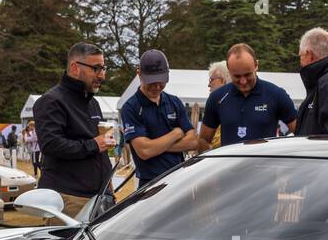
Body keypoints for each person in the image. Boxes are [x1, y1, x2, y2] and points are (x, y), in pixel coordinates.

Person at [33, 42, 115, 221]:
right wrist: (94, 144)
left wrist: (108, 186)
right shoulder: (51, 101)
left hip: (100, 197)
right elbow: (51, 145)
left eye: (103, 69)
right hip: (68, 199)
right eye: (96, 68)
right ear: (75, 67)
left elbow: (98, 150)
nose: (101, 75)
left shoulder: (93, 103)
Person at [121, 49, 198, 188]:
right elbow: (144, 151)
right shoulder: (131, 107)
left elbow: (193, 141)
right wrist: (176, 134)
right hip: (150, 184)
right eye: (152, 82)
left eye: (162, 81)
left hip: (178, 178)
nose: (157, 86)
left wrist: (157, 146)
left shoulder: (174, 102)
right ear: (139, 74)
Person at [199, 43, 297, 148]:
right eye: (237, 76)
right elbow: (204, 140)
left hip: (263, 163)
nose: (243, 81)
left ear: (256, 65)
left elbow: (301, 134)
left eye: (247, 74)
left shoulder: (276, 95)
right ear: (228, 70)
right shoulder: (217, 98)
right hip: (230, 164)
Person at [205, 60, 229, 148]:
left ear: (223, 80)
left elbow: (213, 142)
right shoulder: (219, 103)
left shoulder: (225, 105)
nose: (209, 84)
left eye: (211, 80)